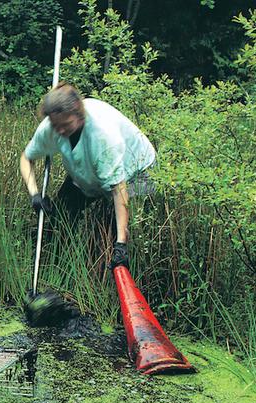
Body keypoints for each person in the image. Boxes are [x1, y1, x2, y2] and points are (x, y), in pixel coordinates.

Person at [19, 82, 156, 269]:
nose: (59, 131)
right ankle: (53, 269)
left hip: (135, 172)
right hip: (86, 173)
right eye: (55, 125)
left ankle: (109, 277)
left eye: (65, 125)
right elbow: (26, 158)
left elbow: (118, 190)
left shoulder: (103, 136)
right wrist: (35, 194)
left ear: (79, 114)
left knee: (111, 234)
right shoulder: (53, 125)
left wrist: (121, 244)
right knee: (60, 218)